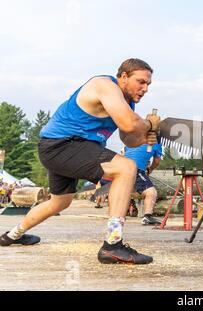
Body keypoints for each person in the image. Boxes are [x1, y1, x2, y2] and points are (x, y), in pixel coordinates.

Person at [0, 58, 161, 265]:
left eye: (148, 84)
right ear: (123, 77)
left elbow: (128, 138)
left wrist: (147, 134)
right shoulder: (105, 86)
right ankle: (113, 245)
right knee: (126, 167)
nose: (145, 88)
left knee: (59, 202)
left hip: (66, 148)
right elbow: (130, 124)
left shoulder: (125, 102)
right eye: (141, 82)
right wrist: (150, 123)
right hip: (63, 145)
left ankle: (12, 235)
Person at [123, 143, 163, 225]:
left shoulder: (133, 139)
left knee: (126, 192)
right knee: (151, 192)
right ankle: (147, 217)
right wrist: (150, 170)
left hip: (122, 168)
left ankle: (118, 215)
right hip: (135, 168)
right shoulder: (156, 143)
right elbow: (157, 161)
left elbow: (125, 153)